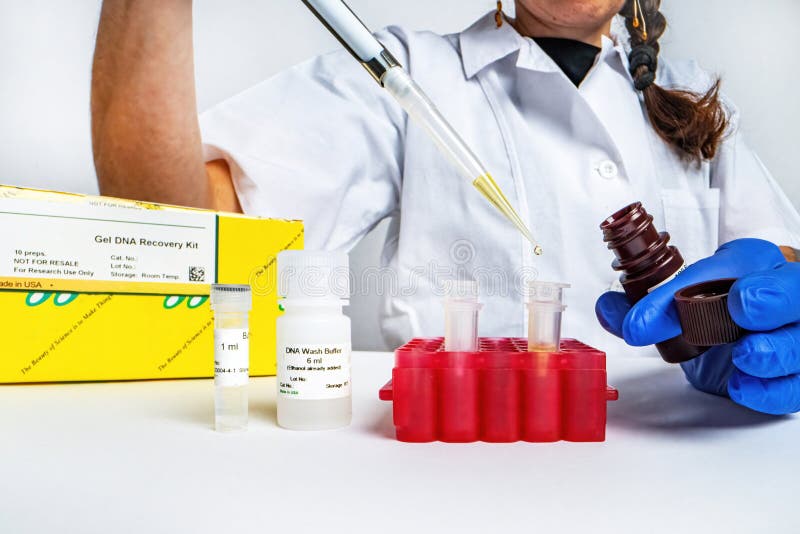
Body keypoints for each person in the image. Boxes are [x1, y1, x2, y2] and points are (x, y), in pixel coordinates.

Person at [91, 0, 800, 414]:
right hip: (456, 461)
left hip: (684, 484)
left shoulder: (693, 98)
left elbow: (782, 263)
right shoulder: (407, 76)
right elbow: (175, 224)